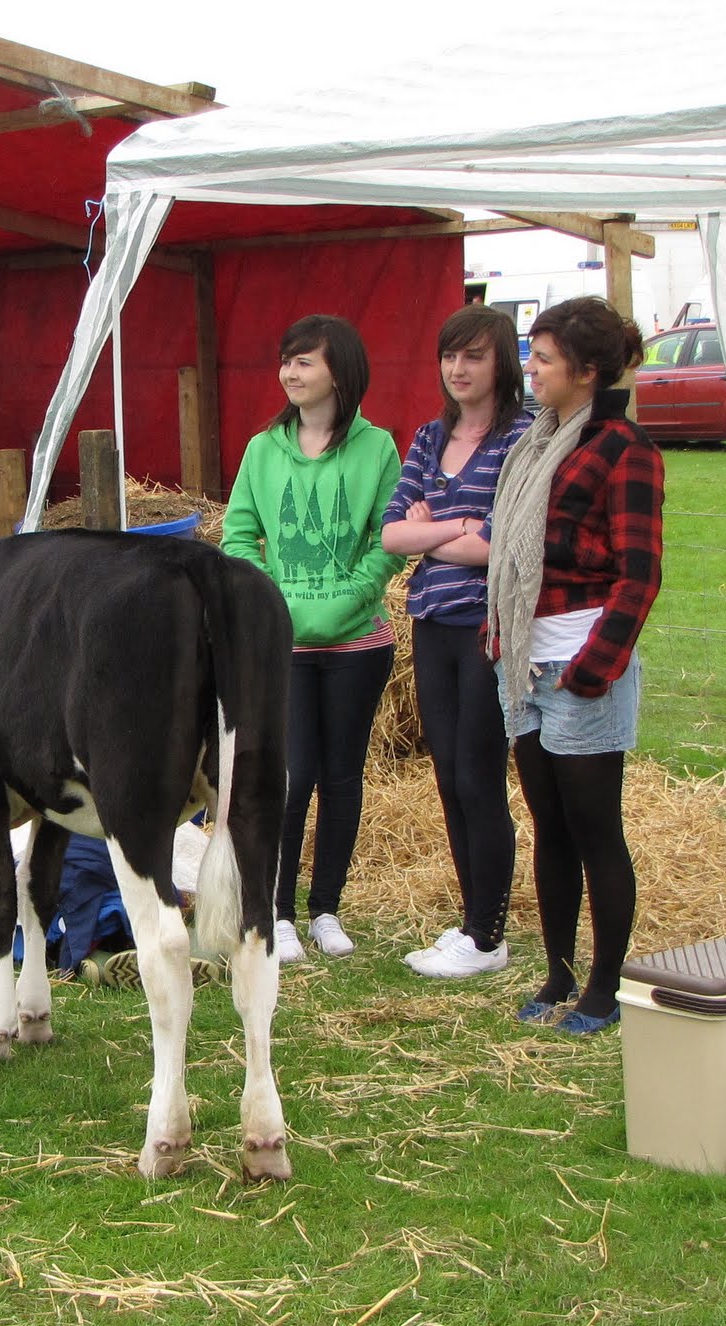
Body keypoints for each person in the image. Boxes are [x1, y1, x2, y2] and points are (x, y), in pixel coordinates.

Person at [484, 297, 662, 1035]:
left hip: (582, 666)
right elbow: (511, 554)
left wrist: (594, 668)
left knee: (596, 831)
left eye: (545, 359)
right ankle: (557, 970)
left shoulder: (625, 451)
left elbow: (639, 574)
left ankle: (604, 986)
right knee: (548, 826)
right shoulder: (537, 444)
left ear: (587, 373)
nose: (533, 370)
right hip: (525, 663)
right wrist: (501, 632)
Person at [221, 314, 405, 963]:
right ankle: (280, 912)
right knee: (291, 776)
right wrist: (275, 603)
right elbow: (239, 538)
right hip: (286, 648)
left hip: (359, 644)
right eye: (286, 361)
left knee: (342, 777)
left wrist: (355, 593)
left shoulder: (378, 448)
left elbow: (391, 536)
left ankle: (328, 908)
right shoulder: (262, 451)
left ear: (340, 370)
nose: (290, 373)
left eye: (304, 361)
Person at [382, 306, 533, 978]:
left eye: (473, 355)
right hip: (433, 622)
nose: (458, 369)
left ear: (501, 360)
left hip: (487, 627)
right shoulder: (427, 437)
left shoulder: (523, 438)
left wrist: (432, 525)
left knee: (478, 775)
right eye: (450, 356)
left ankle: (487, 933)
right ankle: (474, 925)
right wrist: (454, 527)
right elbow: (391, 534)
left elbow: (503, 540)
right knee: (448, 775)